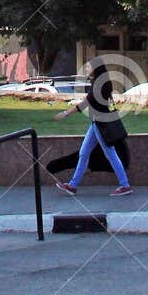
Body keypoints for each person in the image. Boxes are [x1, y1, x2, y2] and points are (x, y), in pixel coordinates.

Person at [53, 60, 132, 197]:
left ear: (95, 68)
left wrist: (65, 114)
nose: (87, 69)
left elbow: (84, 104)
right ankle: (72, 186)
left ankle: (125, 185)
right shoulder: (103, 82)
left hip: (101, 124)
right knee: (84, 153)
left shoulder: (98, 84)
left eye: (89, 67)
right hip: (96, 123)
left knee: (110, 154)